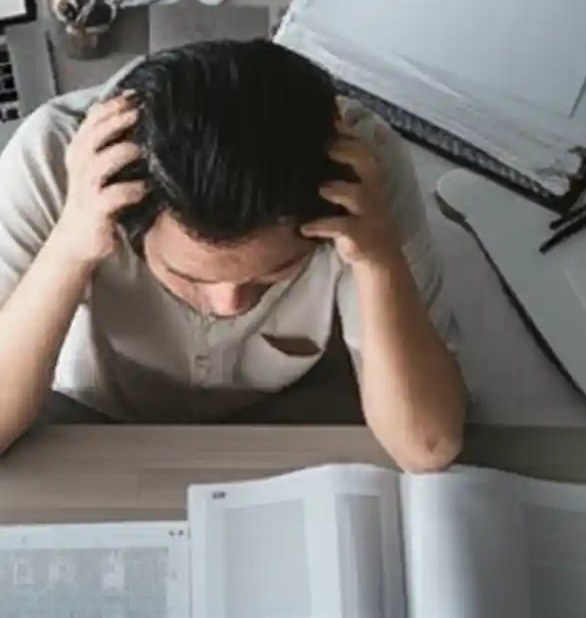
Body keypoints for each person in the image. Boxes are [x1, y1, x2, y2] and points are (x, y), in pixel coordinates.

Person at [0, 40, 466, 473]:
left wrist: (378, 259)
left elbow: (428, 445)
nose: (231, 306)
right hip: (98, 412)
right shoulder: (53, 159)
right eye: (186, 276)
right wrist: (67, 248)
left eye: (273, 277)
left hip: (290, 411)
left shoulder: (363, 173)